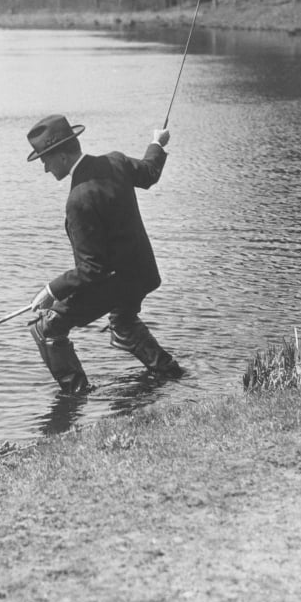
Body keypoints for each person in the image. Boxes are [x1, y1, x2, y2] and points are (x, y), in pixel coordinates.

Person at [26, 114, 183, 394]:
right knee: (122, 322)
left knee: (46, 328)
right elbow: (149, 173)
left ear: (62, 157)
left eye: (45, 161)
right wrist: (156, 143)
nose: (45, 169)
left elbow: (91, 270)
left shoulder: (78, 200)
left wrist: (52, 289)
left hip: (118, 281)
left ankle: (76, 396)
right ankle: (170, 373)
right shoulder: (116, 161)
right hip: (143, 273)